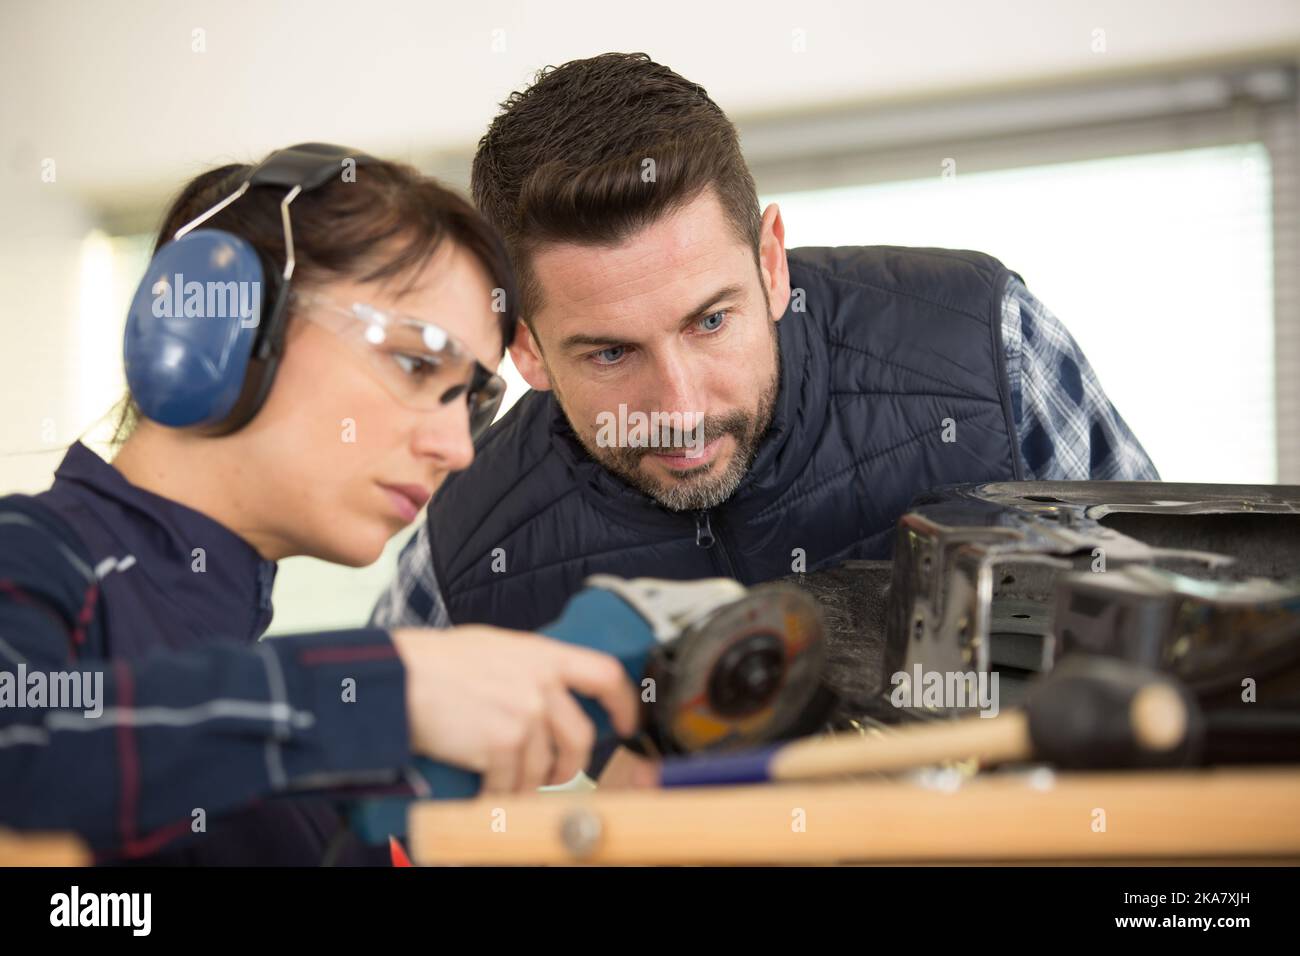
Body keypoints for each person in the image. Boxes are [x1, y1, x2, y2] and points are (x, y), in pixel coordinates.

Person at [368, 55, 1160, 781]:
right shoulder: (473, 542)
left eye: (711, 322)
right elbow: (364, 792)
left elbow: (1175, 649)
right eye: (610, 355)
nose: (680, 410)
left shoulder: (991, 348)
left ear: (771, 260)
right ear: (525, 350)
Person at [0, 143, 638, 864]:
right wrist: (394, 687)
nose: (456, 448)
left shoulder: (292, 761)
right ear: (220, 327)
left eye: (471, 401)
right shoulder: (29, 557)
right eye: (417, 361)